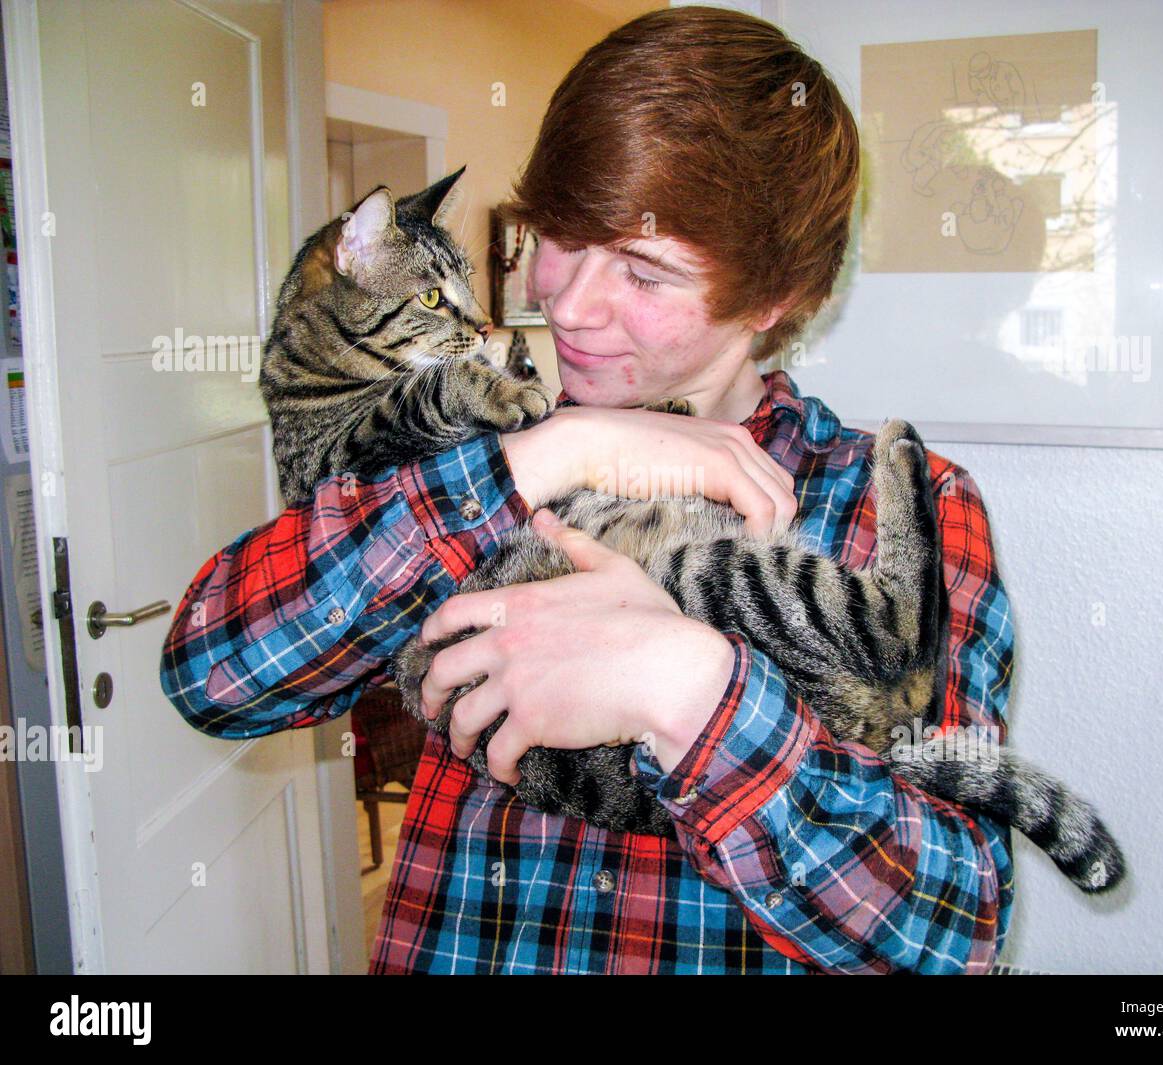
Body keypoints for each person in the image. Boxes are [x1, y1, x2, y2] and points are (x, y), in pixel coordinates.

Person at [160, 5, 1015, 974]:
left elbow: (952, 932)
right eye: (555, 236)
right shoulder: (469, 454)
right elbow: (217, 676)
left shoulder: (896, 505)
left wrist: (690, 693)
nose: (560, 303)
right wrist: (547, 454)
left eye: (643, 271)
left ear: (774, 298)